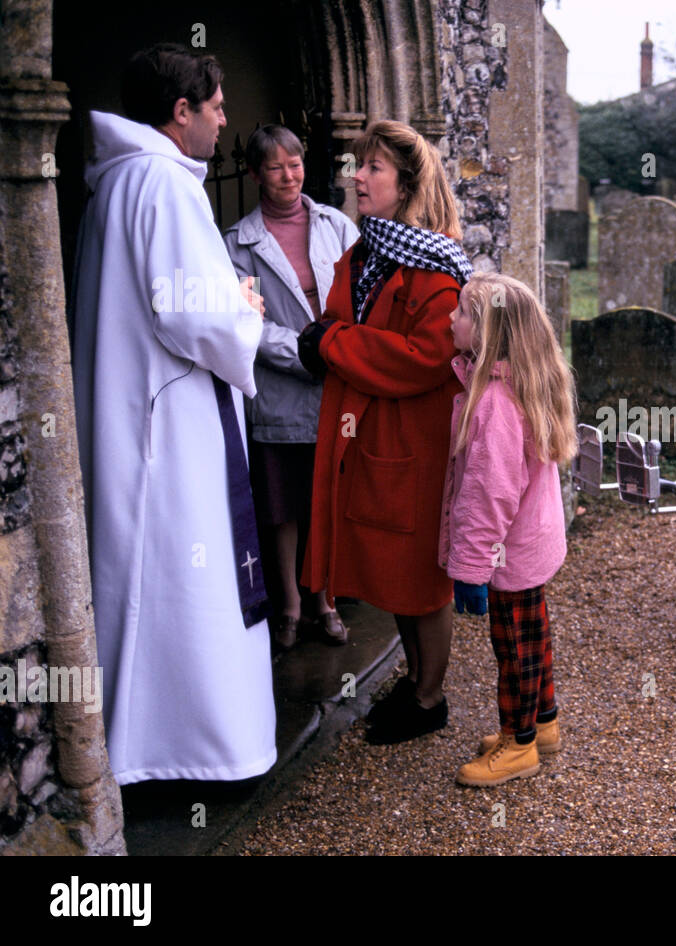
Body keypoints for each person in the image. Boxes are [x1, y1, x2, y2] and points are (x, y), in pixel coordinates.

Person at [71, 44, 276, 783]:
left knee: (148, 576)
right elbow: (195, 318)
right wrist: (244, 309)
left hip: (139, 412)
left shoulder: (118, 182)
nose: (227, 121)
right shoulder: (163, 183)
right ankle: (196, 751)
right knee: (186, 576)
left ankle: (144, 745)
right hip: (170, 425)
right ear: (180, 111)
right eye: (216, 106)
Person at [296, 120, 472, 745]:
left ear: (405, 186)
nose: (357, 177)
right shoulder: (367, 252)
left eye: (372, 168)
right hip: (366, 436)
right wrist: (322, 338)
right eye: (357, 164)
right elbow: (345, 323)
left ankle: (429, 698)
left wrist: (332, 342)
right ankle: (418, 681)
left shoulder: (436, 267)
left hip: (412, 443)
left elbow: (425, 356)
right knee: (392, 570)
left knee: (422, 578)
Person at [223, 125, 359, 650]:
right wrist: (309, 352)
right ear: (255, 173)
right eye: (275, 166)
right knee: (282, 509)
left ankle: (326, 603)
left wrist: (339, 346)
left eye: (296, 162)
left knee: (326, 501)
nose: (289, 174)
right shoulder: (238, 244)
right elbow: (246, 321)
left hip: (339, 387)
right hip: (282, 391)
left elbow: (359, 295)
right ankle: (288, 607)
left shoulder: (337, 225)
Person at [440, 273, 575, 787]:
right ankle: (544, 724)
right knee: (534, 633)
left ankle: (518, 746)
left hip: (504, 553)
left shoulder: (495, 402)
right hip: (529, 545)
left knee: (513, 649)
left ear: (491, 330)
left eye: (463, 313)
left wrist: (470, 569)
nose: (452, 320)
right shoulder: (524, 382)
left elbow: (487, 498)